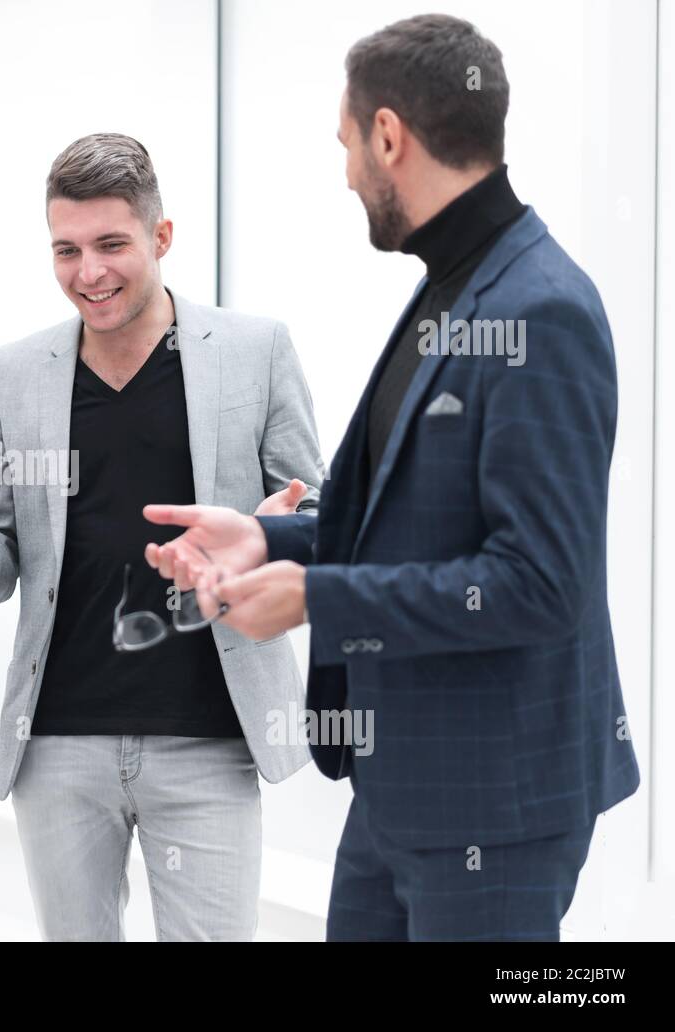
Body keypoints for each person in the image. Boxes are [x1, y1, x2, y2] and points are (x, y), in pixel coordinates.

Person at [145, 14, 640, 942]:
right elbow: (406, 519)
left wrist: (315, 598)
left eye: (344, 143)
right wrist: (268, 537)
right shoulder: (453, 282)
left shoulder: (544, 310)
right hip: (396, 790)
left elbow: (540, 582)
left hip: (494, 809)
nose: (344, 174)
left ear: (387, 135)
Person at [0, 133, 324, 941]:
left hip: (208, 735)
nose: (88, 272)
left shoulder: (256, 351)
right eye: (65, 250)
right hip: (59, 742)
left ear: (161, 236)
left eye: (111, 245)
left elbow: (316, 510)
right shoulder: (13, 373)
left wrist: (275, 538)